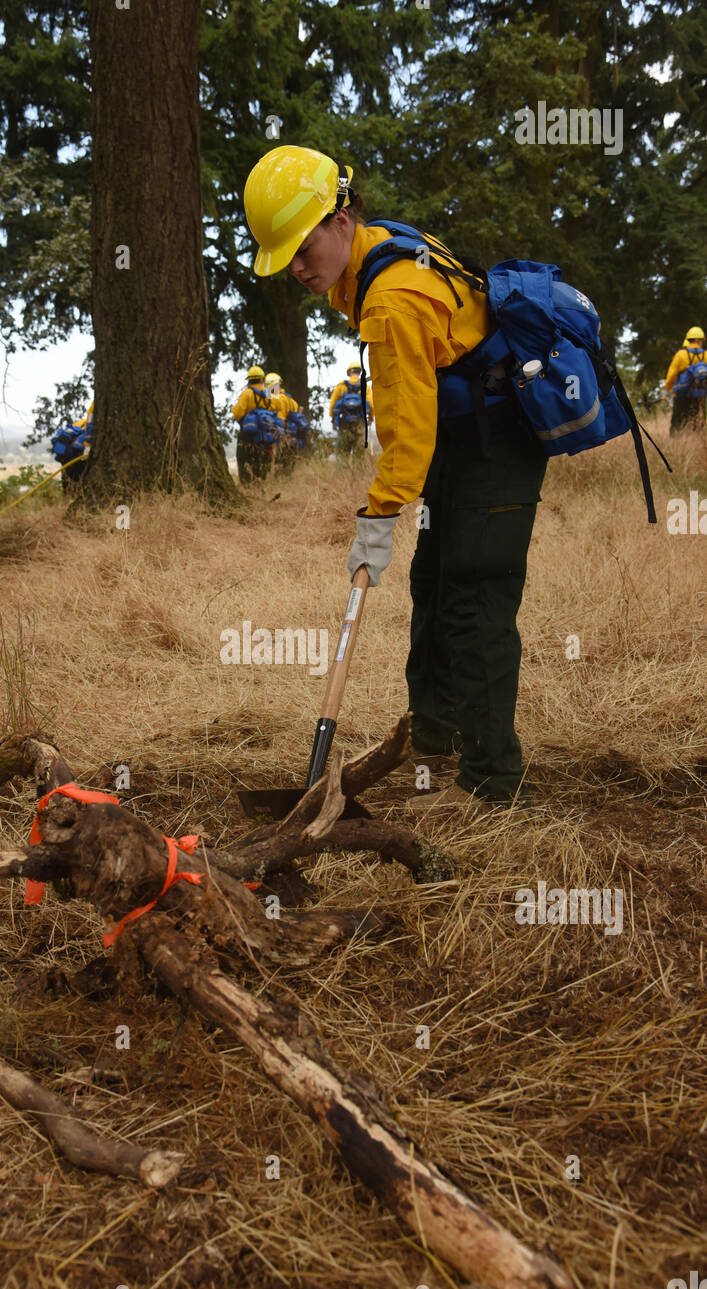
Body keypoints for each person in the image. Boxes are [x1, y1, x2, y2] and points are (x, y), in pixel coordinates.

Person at [243, 144, 551, 808]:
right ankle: (432, 739)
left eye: (303, 247)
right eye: (285, 259)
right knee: (434, 585)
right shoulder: (375, 253)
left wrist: (378, 517)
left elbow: (406, 430)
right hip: (462, 437)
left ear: (341, 217)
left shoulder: (390, 300)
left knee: (473, 602)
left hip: (496, 443)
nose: (298, 268)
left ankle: (492, 780)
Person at [231, 366, 278, 482]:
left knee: (244, 460)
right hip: (265, 434)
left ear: (249, 380)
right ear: (262, 379)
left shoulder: (246, 393)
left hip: (248, 434)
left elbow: (237, 413)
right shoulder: (269, 393)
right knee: (262, 460)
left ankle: (247, 484)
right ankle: (261, 483)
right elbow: (277, 407)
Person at [664, 327, 706, 434]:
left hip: (682, 392)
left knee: (677, 419)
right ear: (697, 340)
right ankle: (694, 438)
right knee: (694, 418)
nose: (702, 342)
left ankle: (675, 439)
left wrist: (669, 388)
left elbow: (672, 373)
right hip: (699, 393)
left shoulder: (681, 354)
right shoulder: (705, 354)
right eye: (702, 340)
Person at [265, 371, 308, 468]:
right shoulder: (291, 399)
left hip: (282, 436)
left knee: (278, 465)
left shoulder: (277, 399)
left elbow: (280, 418)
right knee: (288, 465)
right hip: (293, 435)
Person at [329, 363, 374, 453]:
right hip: (360, 423)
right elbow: (371, 404)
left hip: (344, 423)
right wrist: (371, 418)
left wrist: (333, 419)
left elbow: (332, 405)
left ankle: (343, 467)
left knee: (342, 453)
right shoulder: (365, 387)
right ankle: (357, 467)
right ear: (359, 372)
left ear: (349, 372)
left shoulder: (341, 386)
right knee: (359, 454)